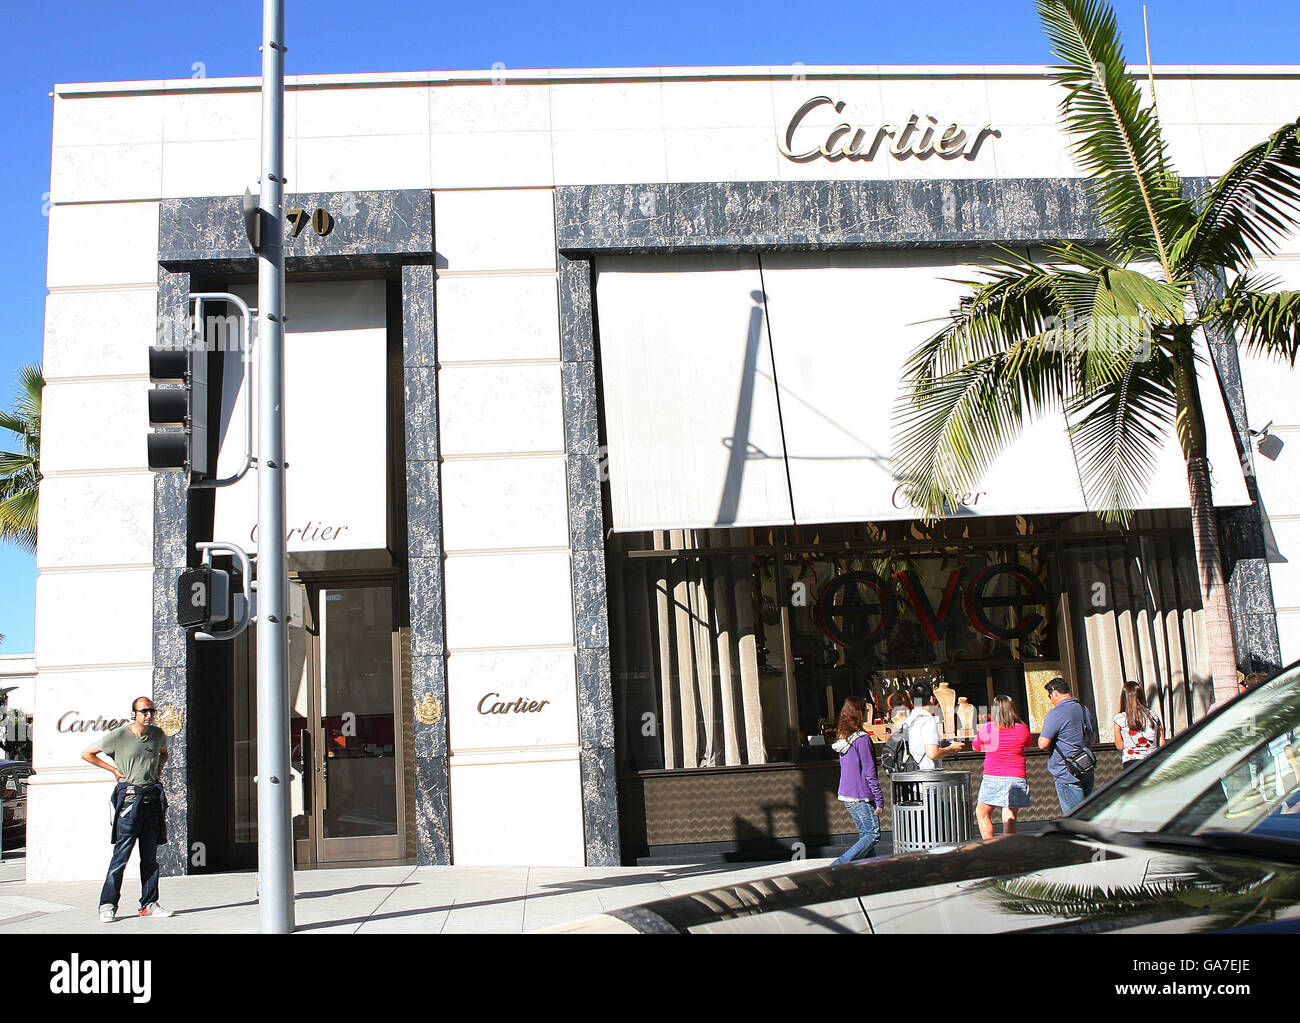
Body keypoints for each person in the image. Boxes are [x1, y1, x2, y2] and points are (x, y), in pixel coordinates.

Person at [82, 697, 173, 922]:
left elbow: (163, 752)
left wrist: (159, 767)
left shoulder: (157, 734)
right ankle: (107, 905)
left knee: (150, 858)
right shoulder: (119, 735)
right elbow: (88, 753)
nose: (148, 715)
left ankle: (149, 903)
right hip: (130, 802)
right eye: (144, 711)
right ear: (134, 713)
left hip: (151, 800)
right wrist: (113, 770)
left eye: (151, 711)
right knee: (120, 858)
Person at [830, 696, 885, 864]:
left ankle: (869, 869)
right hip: (861, 795)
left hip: (847, 794)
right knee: (872, 834)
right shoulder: (862, 739)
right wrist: (878, 798)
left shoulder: (844, 737)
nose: (868, 712)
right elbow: (869, 771)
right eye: (866, 710)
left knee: (865, 835)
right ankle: (840, 864)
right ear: (859, 713)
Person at [972, 695, 1031, 839]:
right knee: (1009, 815)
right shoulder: (1022, 729)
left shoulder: (988, 729)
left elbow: (976, 747)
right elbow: (1028, 743)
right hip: (1016, 776)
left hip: (993, 776)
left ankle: (990, 846)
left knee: (982, 813)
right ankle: (1009, 848)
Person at [1038, 677, 1097, 814]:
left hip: (1066, 772)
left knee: (1074, 817)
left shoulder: (1056, 713)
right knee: (1086, 814)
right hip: (1086, 767)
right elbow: (1092, 738)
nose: (1050, 700)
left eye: (1049, 696)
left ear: (1054, 693)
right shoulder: (1084, 709)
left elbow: (1042, 744)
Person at [904, 681, 965, 770]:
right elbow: (933, 753)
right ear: (932, 699)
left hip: (912, 773)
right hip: (928, 774)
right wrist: (952, 748)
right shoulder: (927, 721)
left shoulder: (908, 721)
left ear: (911, 700)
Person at [1113, 680, 1164, 768]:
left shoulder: (1119, 719)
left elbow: (1119, 746)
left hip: (1132, 762)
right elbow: (1162, 742)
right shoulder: (1154, 717)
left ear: (1124, 697)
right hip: (1153, 761)